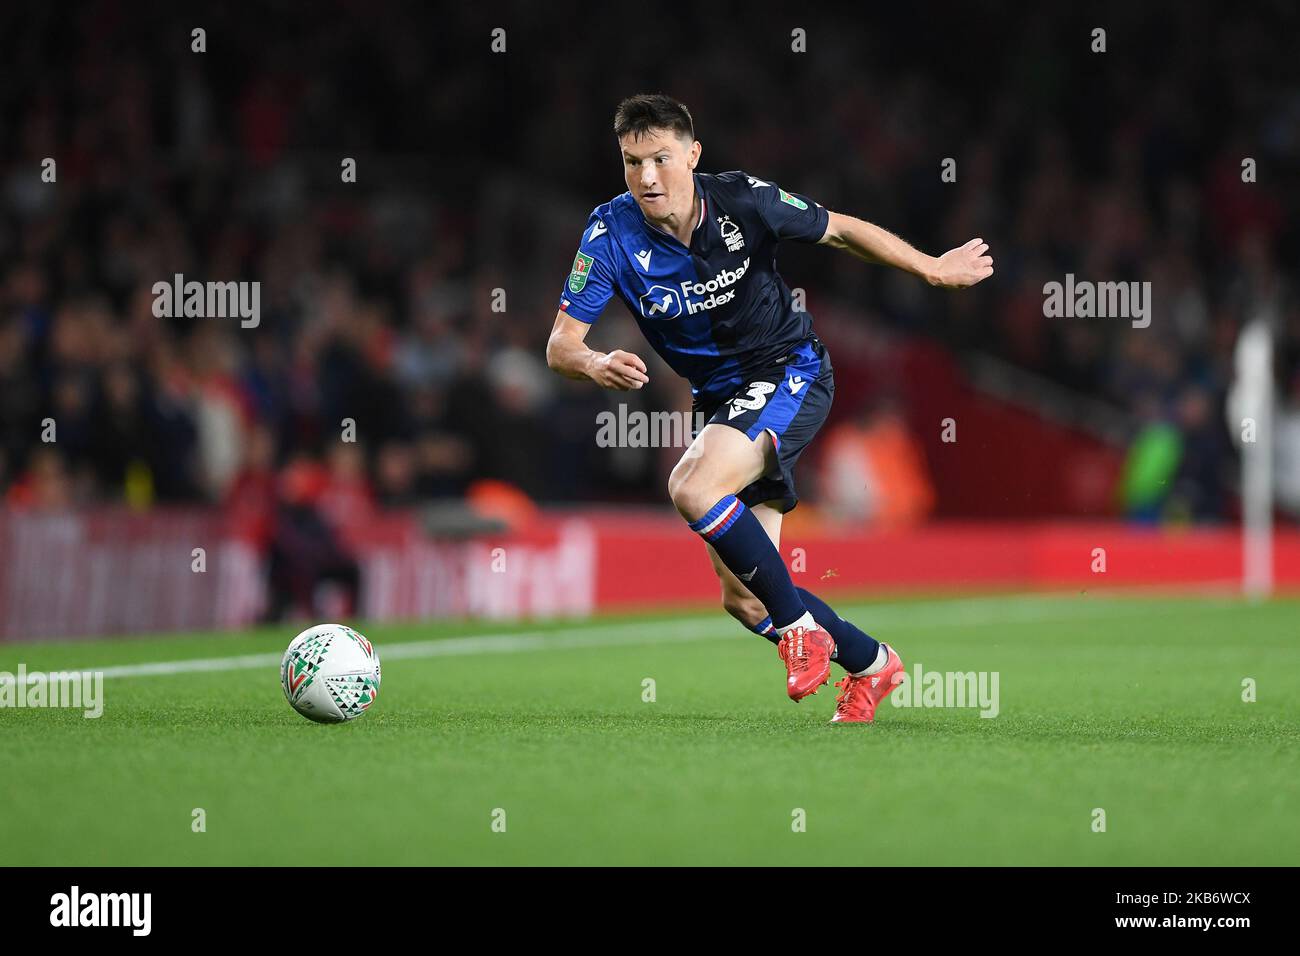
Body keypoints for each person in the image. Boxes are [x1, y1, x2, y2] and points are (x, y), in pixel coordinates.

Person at [545, 94, 993, 723]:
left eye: (661, 158)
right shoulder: (609, 233)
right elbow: (560, 343)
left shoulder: (743, 199)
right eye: (632, 162)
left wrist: (930, 270)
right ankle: (872, 664)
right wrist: (592, 362)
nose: (647, 176)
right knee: (746, 600)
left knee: (693, 486)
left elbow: (837, 228)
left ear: (693, 155)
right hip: (722, 402)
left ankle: (802, 630)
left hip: (790, 372)